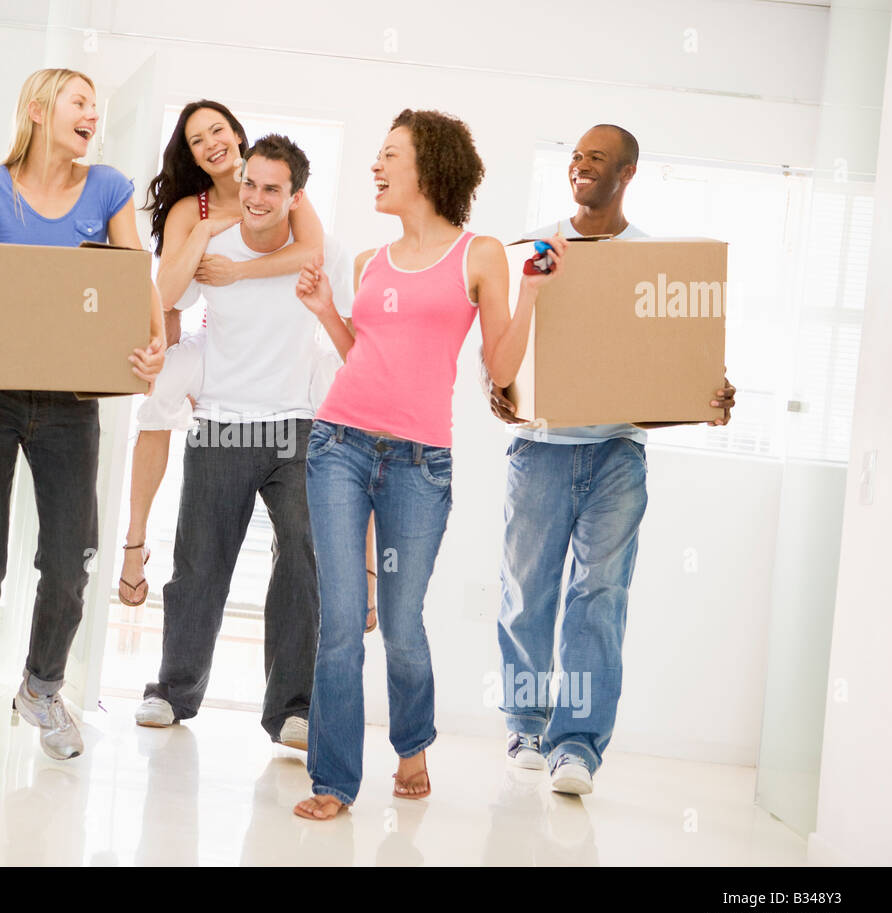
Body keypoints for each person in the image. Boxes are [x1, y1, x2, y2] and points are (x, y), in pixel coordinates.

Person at [291, 109, 567, 820]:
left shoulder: (477, 257)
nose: (376, 168)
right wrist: (328, 312)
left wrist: (532, 292)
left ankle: (412, 741)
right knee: (342, 619)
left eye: (389, 156)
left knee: (404, 621)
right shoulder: (368, 263)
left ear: (429, 168)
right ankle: (333, 781)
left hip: (420, 464)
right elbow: (367, 358)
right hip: (339, 445)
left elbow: (500, 367)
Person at [0, 68, 166, 775]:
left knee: (69, 562)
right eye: (79, 101)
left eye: (97, 105)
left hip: (69, 404)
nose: (93, 113)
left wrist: (155, 342)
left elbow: (133, 282)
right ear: (37, 108)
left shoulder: (109, 188)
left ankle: (41, 689)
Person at [486, 123, 737, 796]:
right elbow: (506, 354)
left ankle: (578, 748)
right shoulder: (536, 249)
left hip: (617, 454)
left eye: (595, 159)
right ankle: (526, 725)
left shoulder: (651, 263)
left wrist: (706, 395)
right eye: (574, 158)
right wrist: (498, 392)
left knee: (599, 599)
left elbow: (671, 369)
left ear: (626, 173)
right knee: (526, 594)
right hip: (539, 451)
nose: (579, 168)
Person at [120, 101, 380, 633]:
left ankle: (367, 574)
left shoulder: (273, 179)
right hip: (203, 340)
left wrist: (238, 269)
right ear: (191, 155)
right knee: (159, 392)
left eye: (218, 130)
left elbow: (312, 250)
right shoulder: (190, 211)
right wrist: (205, 230)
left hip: (280, 363)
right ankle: (134, 541)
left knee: (360, 408)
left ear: (238, 135)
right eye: (197, 140)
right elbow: (166, 297)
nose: (211, 143)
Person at [137, 134, 356, 750]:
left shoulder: (322, 254)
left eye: (272, 189)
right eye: (250, 184)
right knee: (198, 568)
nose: (257, 198)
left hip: (297, 430)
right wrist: (202, 236)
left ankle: (292, 709)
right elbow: (163, 302)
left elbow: (344, 330)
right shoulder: (216, 248)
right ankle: (173, 693)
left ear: (294, 196)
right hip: (221, 429)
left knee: (302, 563)